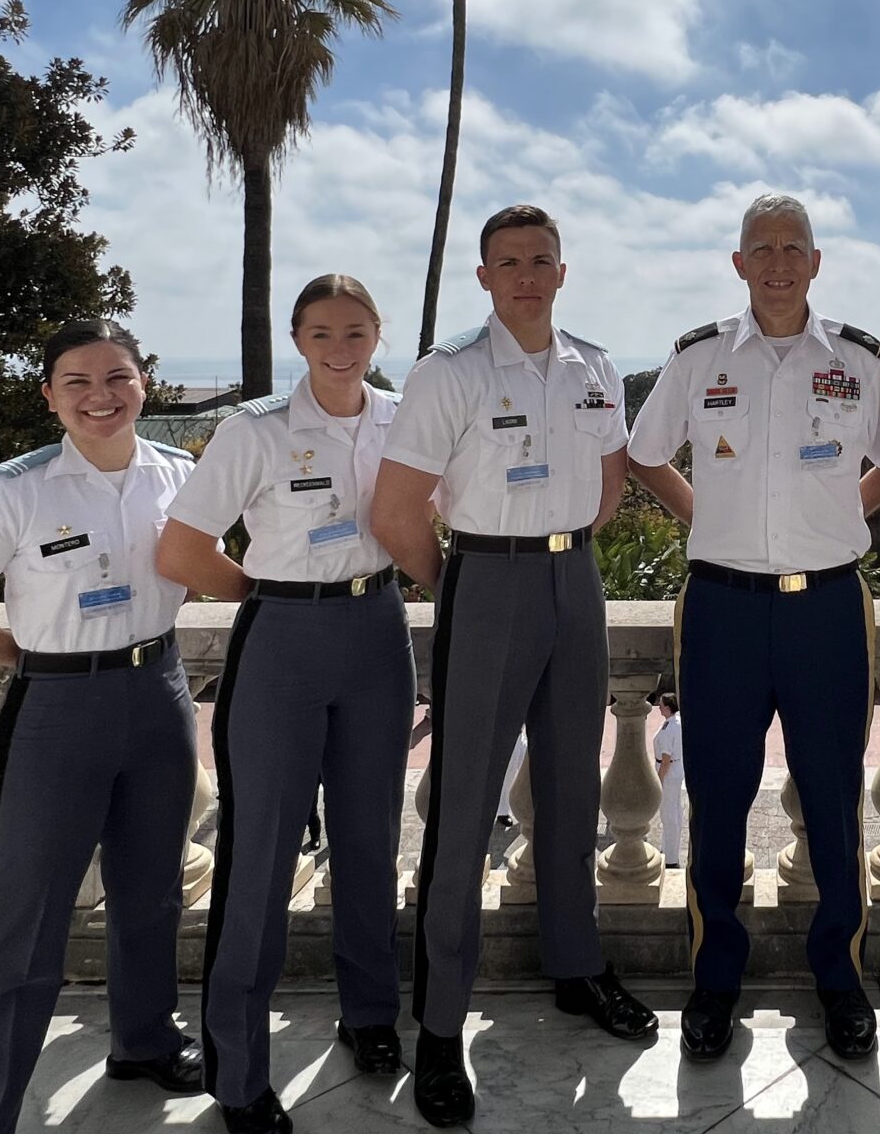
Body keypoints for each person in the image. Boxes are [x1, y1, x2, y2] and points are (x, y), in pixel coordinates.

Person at [370, 205, 656, 1130]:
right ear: (485, 277)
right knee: (461, 811)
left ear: (562, 273)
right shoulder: (446, 372)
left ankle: (577, 967)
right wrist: (459, 581)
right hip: (484, 578)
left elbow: (611, 481)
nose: (526, 276)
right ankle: (441, 1027)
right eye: (508, 263)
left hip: (576, 580)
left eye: (541, 260)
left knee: (573, 791)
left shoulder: (596, 366)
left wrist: (563, 547)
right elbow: (399, 507)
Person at [628, 192, 880, 1063]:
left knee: (831, 794)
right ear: (739, 264)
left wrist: (840, 524)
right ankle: (716, 976)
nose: (780, 262)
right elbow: (644, 455)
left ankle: (840, 976)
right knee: (718, 795)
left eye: (795, 247)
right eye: (764, 248)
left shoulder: (861, 360)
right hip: (720, 606)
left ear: (816, 263)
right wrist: (700, 518)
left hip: (826, 607)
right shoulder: (698, 357)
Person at [0, 320, 203, 1134]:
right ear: (49, 397)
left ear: (145, 385)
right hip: (56, 713)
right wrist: (33, 658)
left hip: (160, 694)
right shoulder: (16, 488)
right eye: (77, 382)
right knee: (23, 917)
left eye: (117, 378)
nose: (100, 397)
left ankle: (143, 1039)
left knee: (152, 894)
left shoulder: (180, 473)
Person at [156, 275, 413, 1134]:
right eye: (321, 332)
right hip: (282, 645)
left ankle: (371, 1015)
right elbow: (184, 548)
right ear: (299, 340)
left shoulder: (404, 415)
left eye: (355, 330)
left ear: (378, 334)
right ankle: (237, 1069)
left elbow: (436, 513)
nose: (340, 347)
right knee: (259, 856)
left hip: (378, 633)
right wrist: (266, 597)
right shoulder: (254, 429)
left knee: (372, 839)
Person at [652, 694, 684, 868]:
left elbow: (665, 759)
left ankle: (671, 858)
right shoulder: (676, 722)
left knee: (668, 813)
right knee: (675, 809)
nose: (659, 707)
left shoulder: (670, 728)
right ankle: (668, 848)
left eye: (662, 705)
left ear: (668, 707)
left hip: (668, 771)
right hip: (677, 768)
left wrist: (659, 780)